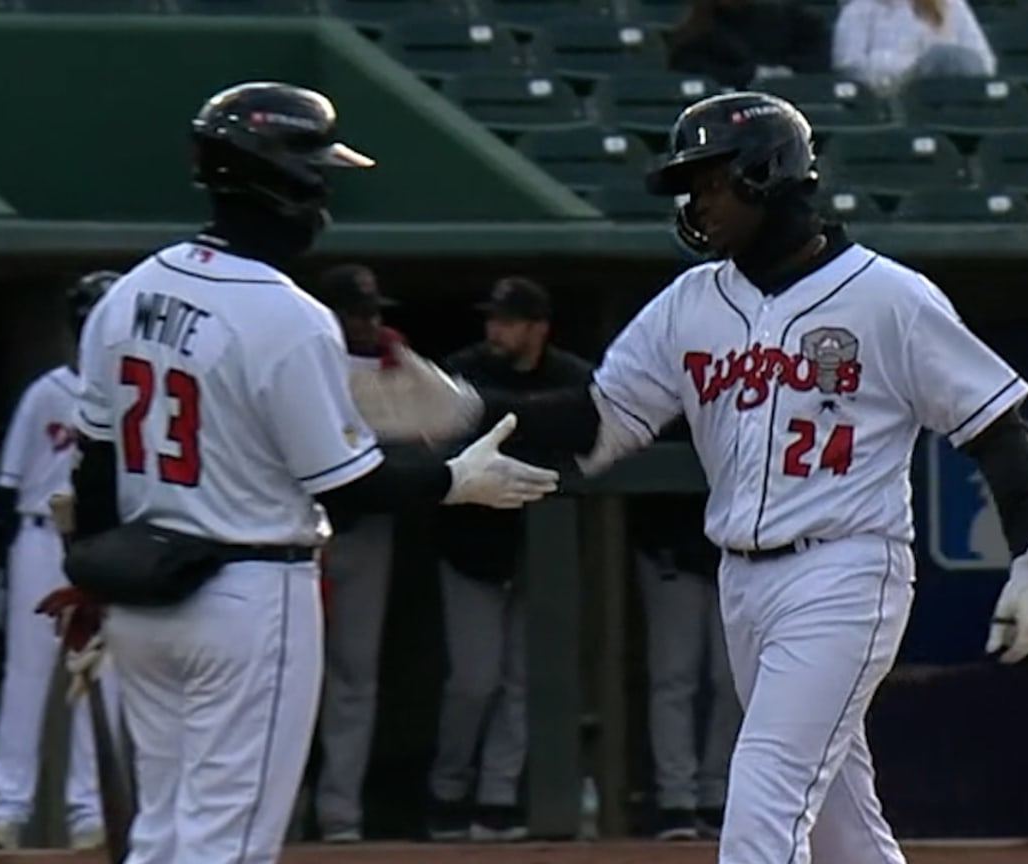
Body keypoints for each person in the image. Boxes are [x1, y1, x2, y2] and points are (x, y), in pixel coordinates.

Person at [348, 90, 1028, 864]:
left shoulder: (887, 296)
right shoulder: (691, 301)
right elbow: (602, 416)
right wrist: (467, 406)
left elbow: (994, 427)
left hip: (846, 569)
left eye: (711, 181)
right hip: (743, 581)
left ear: (767, 174)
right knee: (841, 826)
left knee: (764, 790)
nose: (697, 202)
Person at [62, 81, 559, 864]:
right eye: (315, 170)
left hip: (142, 588)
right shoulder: (287, 315)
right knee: (227, 841)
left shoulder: (132, 290)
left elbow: (93, 462)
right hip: (247, 592)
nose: (324, 189)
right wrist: (454, 479)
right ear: (280, 178)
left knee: (160, 834)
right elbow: (349, 486)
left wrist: (90, 578)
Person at [425, 277, 595, 842]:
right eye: (492, 319)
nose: (495, 330)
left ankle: (496, 797)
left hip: (540, 548)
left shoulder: (570, 374)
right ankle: (447, 790)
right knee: (474, 680)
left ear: (538, 328)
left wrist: (501, 412)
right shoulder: (462, 367)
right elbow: (437, 433)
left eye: (508, 321)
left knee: (524, 680)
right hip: (471, 546)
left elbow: (586, 422)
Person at [0, 271, 122, 853]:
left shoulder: (134, 394)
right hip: (41, 535)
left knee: (99, 677)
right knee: (28, 675)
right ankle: (6, 809)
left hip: (102, 539)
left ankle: (89, 812)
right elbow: (8, 487)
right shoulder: (48, 391)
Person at [310, 263, 405, 843]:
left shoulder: (396, 364)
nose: (370, 323)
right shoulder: (304, 356)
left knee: (353, 676)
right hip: (299, 529)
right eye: (358, 313)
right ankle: (285, 806)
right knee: (289, 675)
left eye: (374, 312)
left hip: (367, 531)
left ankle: (338, 814)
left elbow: (440, 423)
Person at [631, 485, 741, 841]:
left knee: (734, 678)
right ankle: (674, 797)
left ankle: (717, 792)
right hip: (671, 541)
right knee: (673, 675)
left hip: (738, 547)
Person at [832, 0, 996, 95]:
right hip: (891, 102)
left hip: (954, 99)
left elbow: (985, 63)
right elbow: (850, 68)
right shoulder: (859, 10)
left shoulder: (952, 6)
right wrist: (912, 70)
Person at [668, 0, 831, 88]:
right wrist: (749, 74)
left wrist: (783, 73)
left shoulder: (796, 20)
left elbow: (817, 62)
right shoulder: (696, 31)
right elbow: (691, 70)